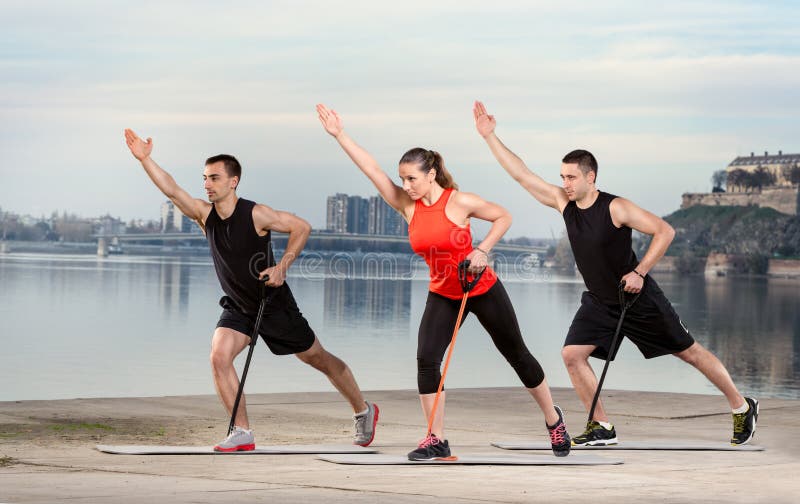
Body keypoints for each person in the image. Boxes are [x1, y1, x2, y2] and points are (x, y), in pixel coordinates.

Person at [472, 101, 759, 446]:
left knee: (689, 352)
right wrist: (491, 136)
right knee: (572, 355)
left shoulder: (616, 207)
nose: (565, 183)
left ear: (590, 177)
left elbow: (664, 231)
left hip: (637, 299)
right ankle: (602, 427)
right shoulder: (565, 204)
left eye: (571, 177)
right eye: (562, 176)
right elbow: (521, 174)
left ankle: (742, 406)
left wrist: (639, 271)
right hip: (599, 302)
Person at [316, 104, 570, 460]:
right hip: (443, 293)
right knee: (426, 360)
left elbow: (503, 216)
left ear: (431, 174)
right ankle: (437, 439)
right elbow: (370, 168)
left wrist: (482, 250)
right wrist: (340, 134)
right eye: (402, 179)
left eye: (412, 179)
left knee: (517, 355)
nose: (406, 186)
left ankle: (553, 419)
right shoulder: (407, 206)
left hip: (480, 288)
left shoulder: (460, 202)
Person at [123, 129, 378, 451]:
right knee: (219, 356)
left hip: (272, 303)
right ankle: (241, 432)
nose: (207, 184)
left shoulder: (256, 214)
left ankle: (363, 410)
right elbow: (173, 190)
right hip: (238, 307)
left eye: (214, 178)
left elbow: (302, 227)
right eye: (204, 178)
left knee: (317, 358)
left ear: (233, 181)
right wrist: (146, 159)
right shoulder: (205, 215)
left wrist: (282, 266)